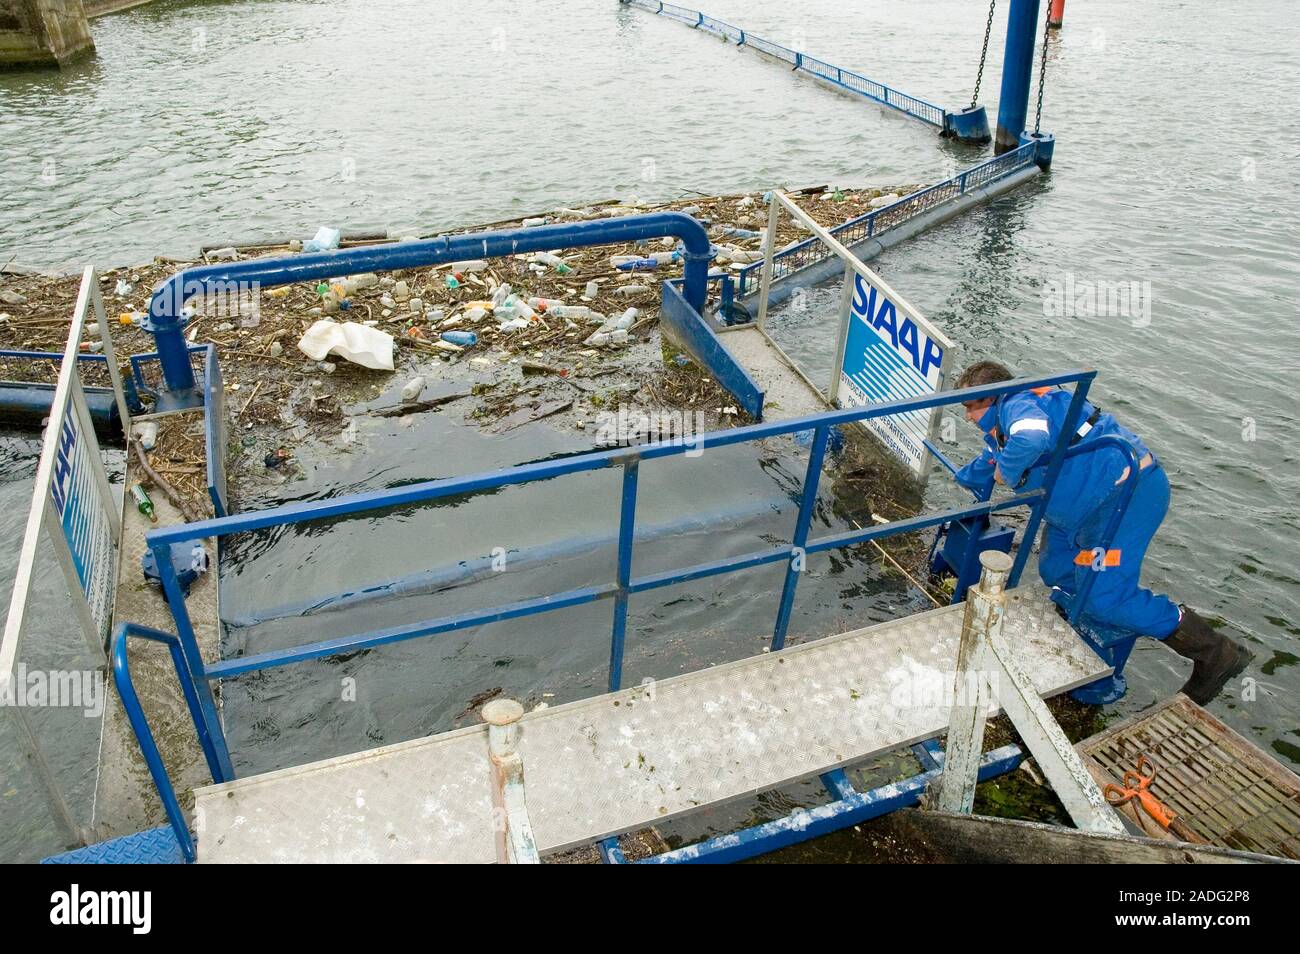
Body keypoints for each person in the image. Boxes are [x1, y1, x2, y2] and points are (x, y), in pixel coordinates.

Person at [952, 360, 1252, 704]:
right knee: (1056, 570)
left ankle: (1216, 653)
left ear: (991, 399)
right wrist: (961, 478)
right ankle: (1086, 632)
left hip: (1125, 499)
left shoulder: (1017, 405)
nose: (967, 418)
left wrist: (1007, 469)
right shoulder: (1006, 422)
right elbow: (990, 461)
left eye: (970, 407)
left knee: (1106, 596)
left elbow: (1031, 439)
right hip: (1080, 512)